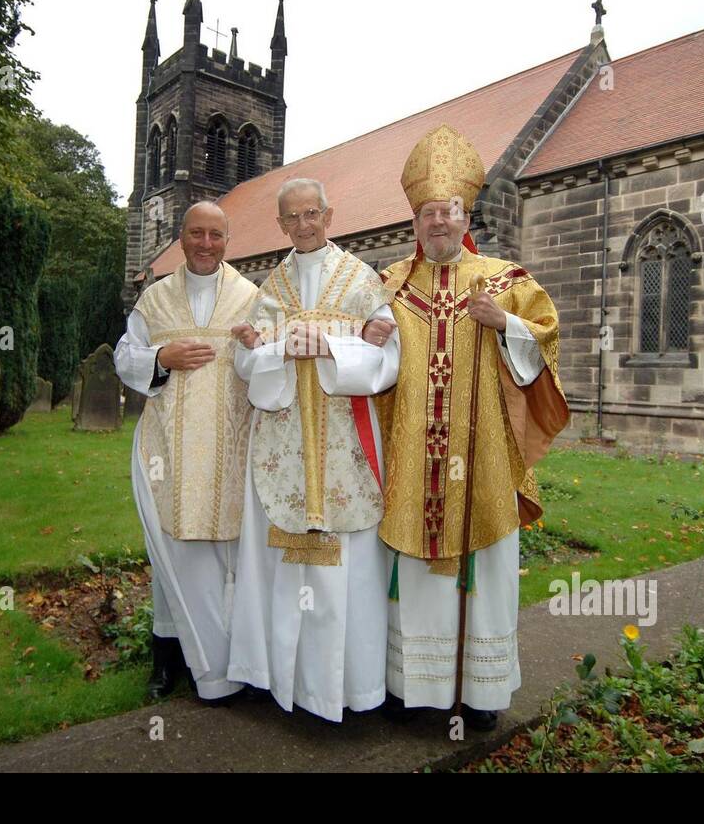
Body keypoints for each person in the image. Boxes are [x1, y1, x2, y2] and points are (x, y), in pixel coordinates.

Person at [376, 124, 570, 731]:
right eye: (429, 213)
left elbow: (547, 340)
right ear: (415, 221)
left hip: (483, 460)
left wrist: (504, 324)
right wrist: (368, 335)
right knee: (414, 578)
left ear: (466, 215)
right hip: (412, 458)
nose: (439, 222)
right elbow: (367, 366)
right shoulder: (389, 285)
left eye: (450, 211)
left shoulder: (505, 281)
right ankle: (412, 689)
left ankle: (480, 694)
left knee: (482, 578)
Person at [225, 177, 399, 722]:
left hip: (345, 443)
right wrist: (271, 349)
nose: (303, 224)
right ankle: (283, 682)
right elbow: (246, 363)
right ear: (281, 225)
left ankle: (352, 689)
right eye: (292, 217)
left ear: (329, 214)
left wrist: (330, 348)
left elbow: (388, 354)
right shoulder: (270, 290)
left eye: (312, 213)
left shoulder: (362, 280)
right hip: (285, 445)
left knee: (347, 570)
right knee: (282, 567)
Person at [114, 201, 258, 702]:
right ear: (181, 236)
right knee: (172, 557)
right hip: (168, 452)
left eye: (215, 235)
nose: (205, 244)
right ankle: (166, 661)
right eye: (195, 233)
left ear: (227, 240)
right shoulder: (154, 300)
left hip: (230, 450)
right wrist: (161, 357)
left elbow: (266, 362)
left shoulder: (251, 297)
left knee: (229, 562)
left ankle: (230, 664)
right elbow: (123, 356)